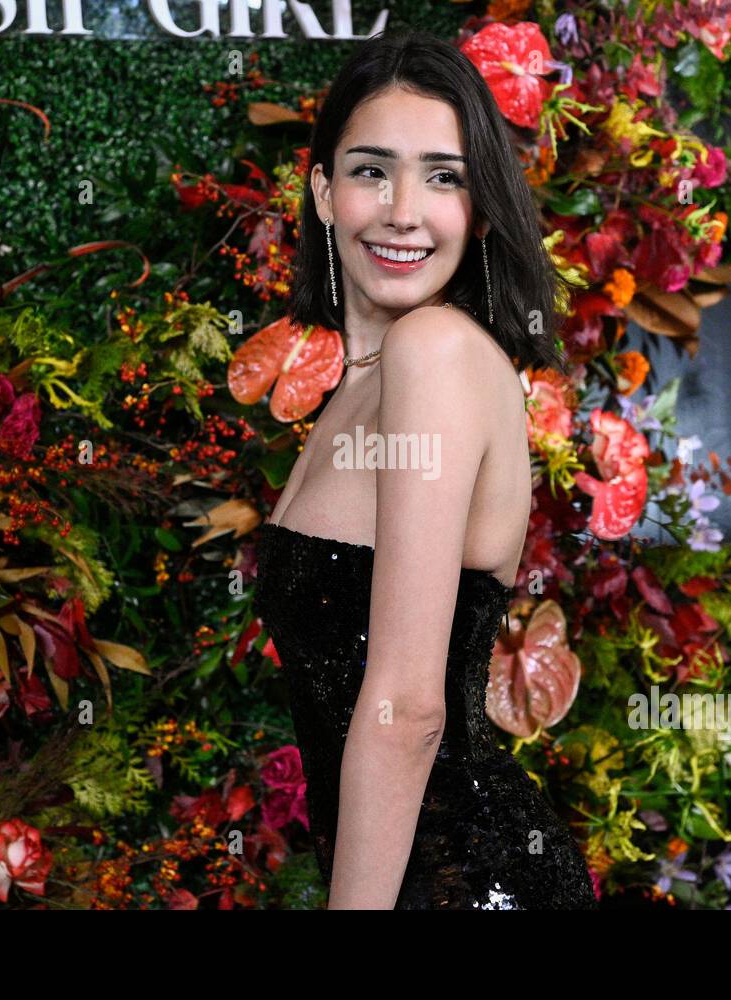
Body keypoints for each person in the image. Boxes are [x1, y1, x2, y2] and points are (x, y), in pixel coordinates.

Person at [253, 28, 595, 909]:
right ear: (324, 193)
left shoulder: (434, 351)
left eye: (444, 176)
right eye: (372, 171)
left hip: (464, 884)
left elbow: (409, 712)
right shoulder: (359, 386)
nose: (405, 209)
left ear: (478, 209)